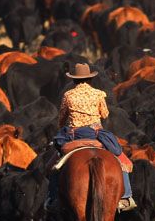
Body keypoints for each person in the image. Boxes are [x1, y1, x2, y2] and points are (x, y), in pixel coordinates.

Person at [45, 63, 136, 213]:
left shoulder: (68, 95)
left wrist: (65, 123)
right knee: (121, 159)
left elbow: (61, 118)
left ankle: (53, 198)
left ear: (74, 80)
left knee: (54, 166)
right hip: (96, 134)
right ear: (90, 79)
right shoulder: (98, 94)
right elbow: (105, 114)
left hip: (74, 135)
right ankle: (126, 196)